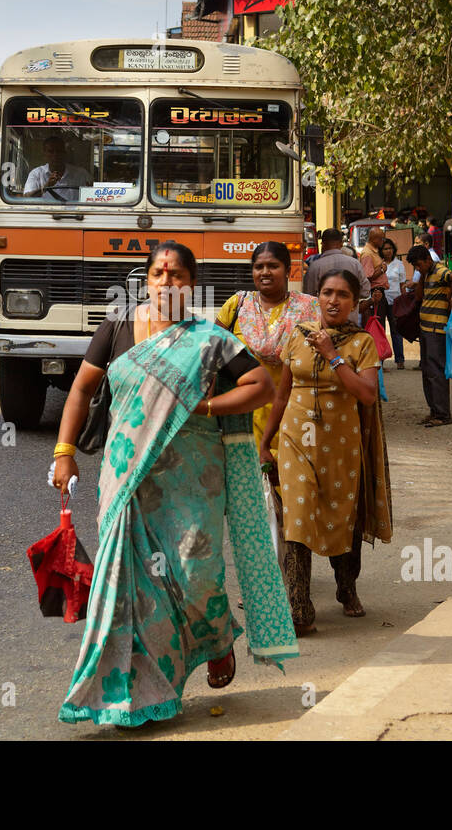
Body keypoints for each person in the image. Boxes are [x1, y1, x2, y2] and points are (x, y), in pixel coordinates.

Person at [52, 241, 296, 727]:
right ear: (147, 280)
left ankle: (218, 637)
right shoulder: (118, 327)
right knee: (126, 585)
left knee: (195, 574)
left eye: (178, 275)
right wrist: (64, 451)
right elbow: (81, 388)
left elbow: (261, 388)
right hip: (128, 479)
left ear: (192, 284)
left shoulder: (209, 340)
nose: (167, 283)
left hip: (193, 482)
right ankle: (131, 695)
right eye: (159, 274)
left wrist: (202, 407)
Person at [260, 268, 392, 633]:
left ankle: (346, 586)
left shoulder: (362, 343)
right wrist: (265, 441)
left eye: (342, 295)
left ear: (355, 301)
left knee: (341, 519)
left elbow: (366, 394)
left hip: (341, 446)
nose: (333, 300)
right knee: (297, 520)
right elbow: (282, 394)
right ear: (317, 297)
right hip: (295, 441)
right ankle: (299, 610)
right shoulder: (297, 337)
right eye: (327, 293)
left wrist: (333, 355)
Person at [216, 242, 321, 453]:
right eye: (258, 267)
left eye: (273, 266)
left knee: (289, 483)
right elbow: (213, 355)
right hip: (243, 417)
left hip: (294, 414)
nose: (265, 272)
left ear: (288, 270)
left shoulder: (310, 308)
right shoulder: (237, 305)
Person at [407, 244, 452, 427]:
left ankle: (442, 414)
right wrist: (422, 276)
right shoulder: (427, 274)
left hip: (437, 329)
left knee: (436, 371)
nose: (418, 269)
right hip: (426, 328)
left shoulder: (441, 271)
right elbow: (419, 297)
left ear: (428, 260)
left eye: (419, 265)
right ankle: (434, 410)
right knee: (428, 371)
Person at [303, 228, 371, 323]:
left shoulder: (315, 267)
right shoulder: (355, 264)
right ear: (341, 244)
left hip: (323, 324)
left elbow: (308, 297)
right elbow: (365, 292)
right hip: (349, 323)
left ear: (322, 244)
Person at [22, 136, 91, 202]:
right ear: (44, 154)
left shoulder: (81, 174)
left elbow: (92, 197)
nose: (55, 155)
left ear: (64, 153)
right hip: (45, 213)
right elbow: (27, 198)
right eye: (51, 151)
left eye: (59, 151)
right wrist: (46, 186)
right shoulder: (36, 174)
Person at [378, 238, 409, 369]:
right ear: (381, 251)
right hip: (381, 301)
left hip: (395, 301)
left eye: (390, 248)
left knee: (396, 331)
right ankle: (381, 361)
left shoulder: (399, 264)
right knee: (381, 331)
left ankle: (400, 360)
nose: (388, 251)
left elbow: (402, 285)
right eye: (385, 249)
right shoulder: (378, 263)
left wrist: (404, 301)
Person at [358, 227, 389, 322]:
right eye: (381, 239)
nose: (383, 241)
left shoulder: (373, 251)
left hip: (379, 292)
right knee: (377, 324)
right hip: (375, 293)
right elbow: (367, 277)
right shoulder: (367, 253)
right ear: (374, 239)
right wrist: (382, 270)